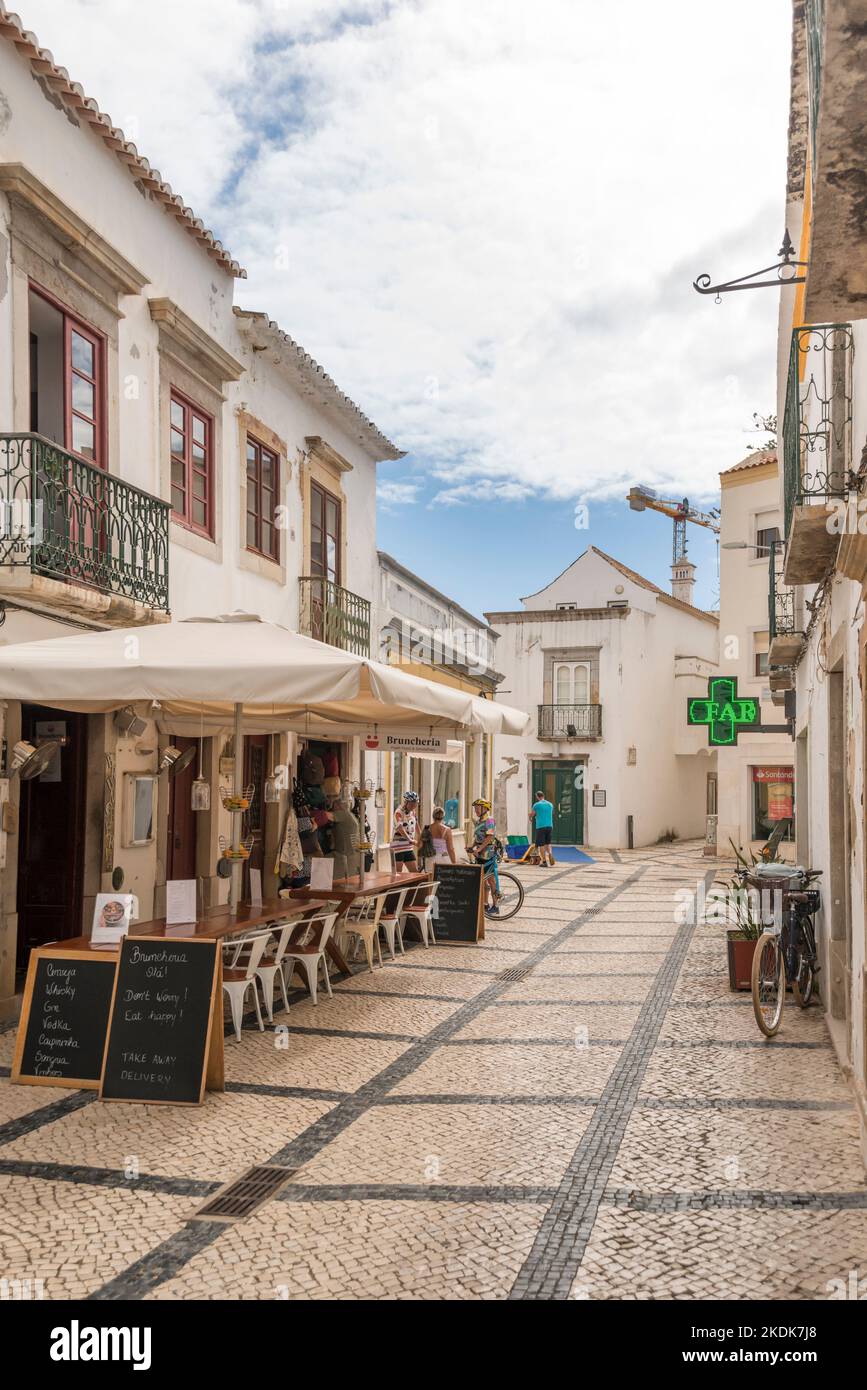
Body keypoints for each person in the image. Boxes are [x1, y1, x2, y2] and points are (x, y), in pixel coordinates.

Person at [470, 797, 500, 913]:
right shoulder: (479, 821)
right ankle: (485, 904)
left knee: (491, 880)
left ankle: (496, 906)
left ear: (484, 808)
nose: (476, 810)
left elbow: (489, 837)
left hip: (488, 853)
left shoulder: (489, 820)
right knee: (483, 880)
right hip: (480, 854)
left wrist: (479, 848)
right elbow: (478, 837)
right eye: (475, 808)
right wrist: (472, 847)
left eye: (478, 808)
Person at [392, 790, 420, 872]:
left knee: (415, 872)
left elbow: (416, 824)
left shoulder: (413, 812)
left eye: (415, 804)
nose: (413, 806)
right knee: (398, 874)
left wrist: (422, 837)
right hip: (398, 846)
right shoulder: (398, 812)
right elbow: (400, 829)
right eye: (411, 804)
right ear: (406, 802)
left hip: (408, 847)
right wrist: (410, 840)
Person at [529, 789, 554, 866]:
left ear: (537, 797)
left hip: (541, 826)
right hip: (549, 826)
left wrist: (529, 816)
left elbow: (532, 814)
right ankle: (550, 854)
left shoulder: (536, 805)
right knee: (548, 843)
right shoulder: (550, 804)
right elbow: (551, 813)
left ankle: (544, 861)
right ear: (543, 796)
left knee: (541, 845)